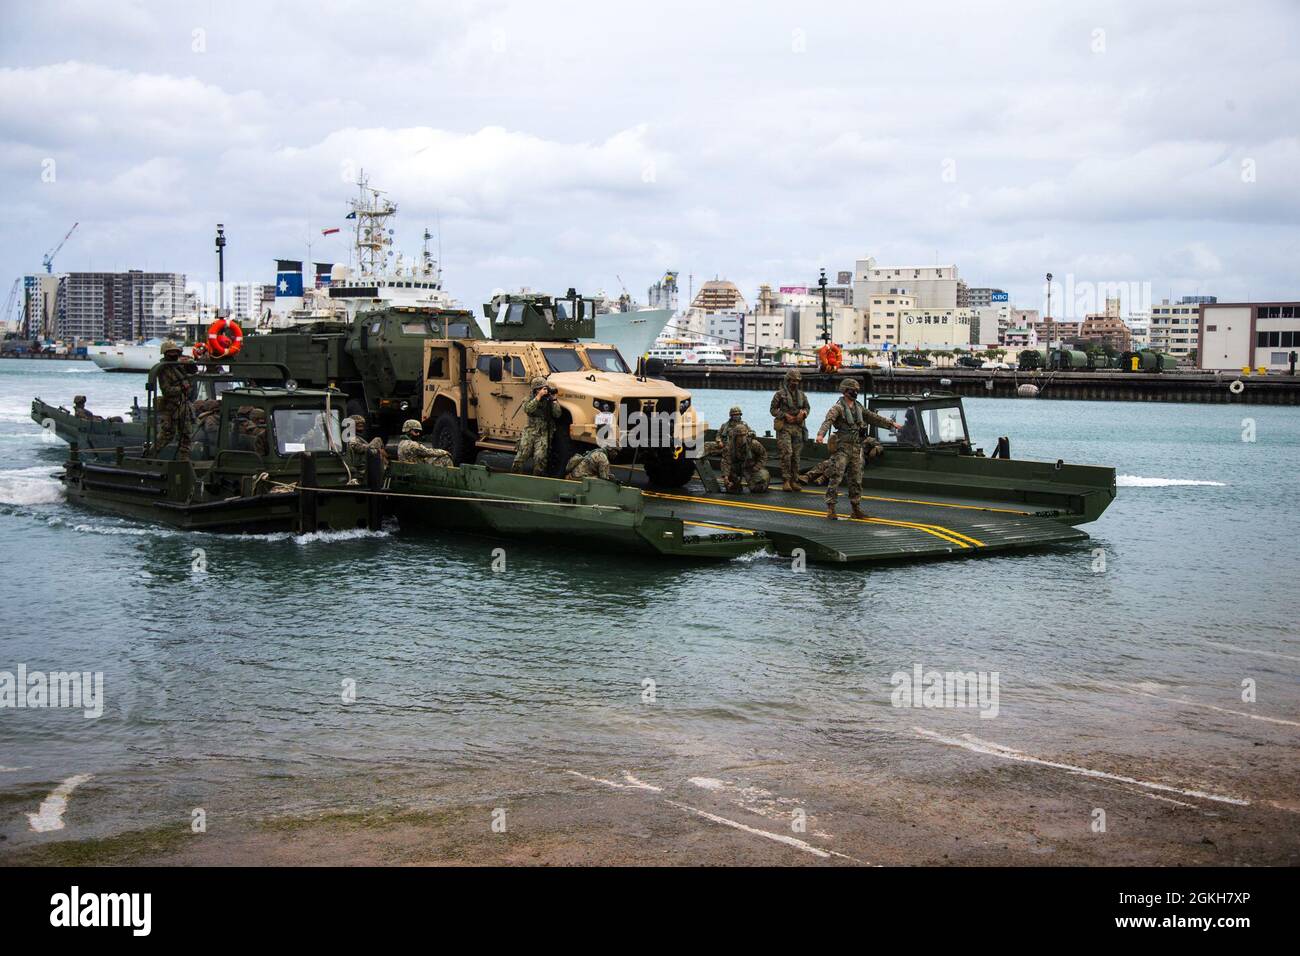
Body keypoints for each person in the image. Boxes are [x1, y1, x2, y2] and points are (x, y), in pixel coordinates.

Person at [815, 378, 901, 519]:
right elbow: (828, 421)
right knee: (836, 477)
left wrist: (891, 424)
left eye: (856, 390)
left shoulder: (859, 407)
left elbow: (874, 418)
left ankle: (856, 508)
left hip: (856, 448)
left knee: (856, 479)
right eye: (852, 390)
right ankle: (831, 508)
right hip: (842, 447)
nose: (855, 392)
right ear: (845, 391)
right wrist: (820, 434)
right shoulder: (838, 408)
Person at [154, 340, 195, 460]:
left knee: (186, 434)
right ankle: (150, 455)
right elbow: (166, 390)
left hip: (183, 404)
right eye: (171, 352)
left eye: (175, 352)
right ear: (165, 354)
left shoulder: (178, 366)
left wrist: (190, 363)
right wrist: (182, 388)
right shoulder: (163, 369)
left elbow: (193, 370)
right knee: (167, 434)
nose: (174, 354)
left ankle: (184, 461)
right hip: (171, 406)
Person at [769, 369, 810, 491]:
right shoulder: (779, 394)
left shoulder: (802, 395)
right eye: (793, 380)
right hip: (785, 427)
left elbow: (807, 408)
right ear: (788, 380)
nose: (795, 383)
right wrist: (784, 415)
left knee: (796, 456)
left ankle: (794, 480)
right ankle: (786, 480)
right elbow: (773, 409)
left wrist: (802, 414)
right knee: (787, 453)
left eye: (797, 381)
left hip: (798, 428)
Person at [513, 376, 561, 475]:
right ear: (535, 390)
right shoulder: (528, 399)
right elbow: (528, 409)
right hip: (531, 431)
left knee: (540, 458)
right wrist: (538, 397)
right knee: (521, 456)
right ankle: (514, 476)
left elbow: (557, 414)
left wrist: (554, 400)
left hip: (543, 433)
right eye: (541, 389)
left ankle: (537, 480)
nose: (544, 391)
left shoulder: (548, 401)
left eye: (545, 388)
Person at [723, 420, 769, 494]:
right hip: (737, 467)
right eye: (739, 436)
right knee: (732, 489)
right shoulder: (730, 446)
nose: (742, 438)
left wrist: (757, 466)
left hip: (751, 467)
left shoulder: (753, 444)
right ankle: (735, 484)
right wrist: (725, 476)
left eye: (744, 435)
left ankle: (754, 483)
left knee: (758, 489)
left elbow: (763, 455)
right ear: (735, 436)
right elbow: (726, 461)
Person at [711, 405, 745, 484]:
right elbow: (718, 435)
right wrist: (719, 441)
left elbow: (751, 433)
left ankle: (727, 477)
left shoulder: (743, 425)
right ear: (731, 416)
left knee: (726, 459)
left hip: (736, 449)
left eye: (738, 414)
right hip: (724, 445)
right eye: (734, 415)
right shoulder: (725, 425)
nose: (736, 416)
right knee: (707, 445)